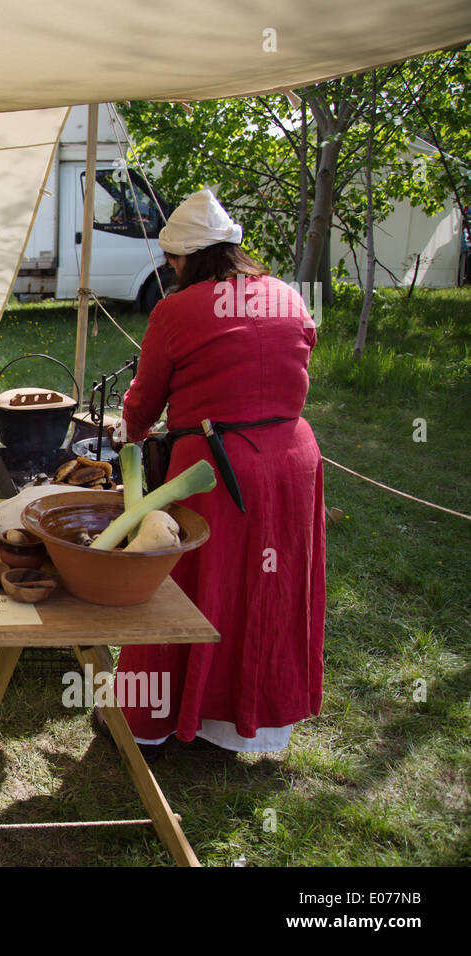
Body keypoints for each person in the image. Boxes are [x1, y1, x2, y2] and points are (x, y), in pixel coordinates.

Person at [111, 188, 326, 754]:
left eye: (174, 261)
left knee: (180, 587)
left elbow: (144, 402)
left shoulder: (177, 309)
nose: (171, 270)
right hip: (293, 464)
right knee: (269, 588)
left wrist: (129, 435)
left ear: (189, 258)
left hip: (214, 468)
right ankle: (244, 723)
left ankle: (159, 719)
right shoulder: (289, 297)